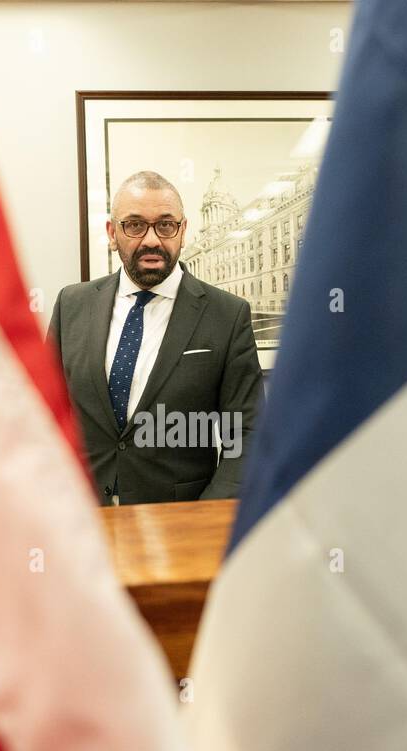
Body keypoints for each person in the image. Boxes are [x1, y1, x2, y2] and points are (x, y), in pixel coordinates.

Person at [47, 170, 264, 505]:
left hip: (180, 529)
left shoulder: (227, 315)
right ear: (112, 232)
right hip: (81, 522)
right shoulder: (71, 305)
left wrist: (204, 521)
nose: (151, 240)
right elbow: (43, 417)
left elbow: (246, 437)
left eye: (165, 225)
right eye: (134, 224)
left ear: (183, 230)